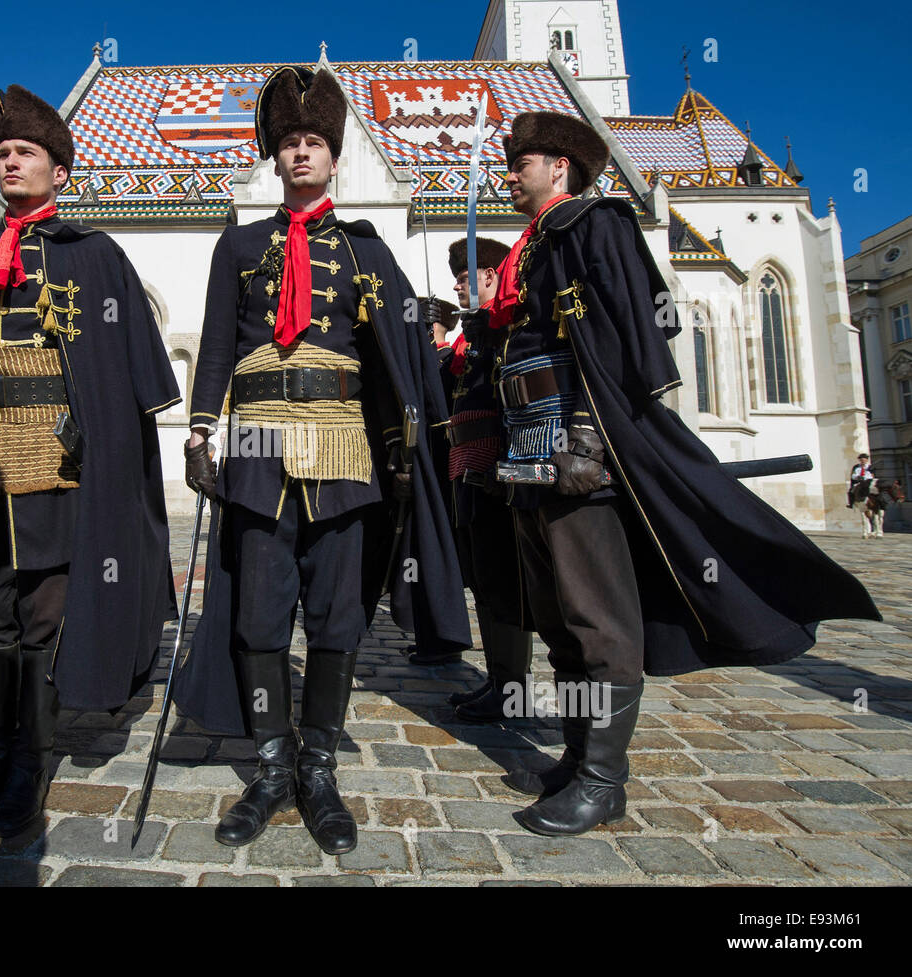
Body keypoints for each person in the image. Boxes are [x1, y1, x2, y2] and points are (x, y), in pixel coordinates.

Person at [484, 111, 880, 836]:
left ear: (560, 167)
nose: (511, 173)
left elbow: (642, 327)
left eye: (523, 161)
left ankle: (604, 779)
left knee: (596, 618)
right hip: (530, 455)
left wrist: (585, 436)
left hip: (582, 454)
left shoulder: (597, 224)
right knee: (558, 621)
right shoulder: (538, 246)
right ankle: (579, 758)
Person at [173, 66, 470, 855]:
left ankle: (321, 767)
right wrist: (203, 431)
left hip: (344, 443)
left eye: (313, 142)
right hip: (261, 437)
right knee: (260, 609)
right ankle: (271, 768)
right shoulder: (237, 244)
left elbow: (403, 347)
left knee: (338, 615)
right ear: (275, 157)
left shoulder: (366, 251)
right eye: (289, 143)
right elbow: (215, 346)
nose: (301, 153)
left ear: (334, 157)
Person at [0, 85, 181, 839]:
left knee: (44, 617)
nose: (10, 163)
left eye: (25, 152)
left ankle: (32, 759)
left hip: (56, 460)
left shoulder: (93, 253)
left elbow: (121, 373)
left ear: (61, 171)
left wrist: (118, 463)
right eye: (1, 155)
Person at [413, 238, 538, 723]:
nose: (458, 285)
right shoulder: (471, 338)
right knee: (484, 581)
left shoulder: (506, 328)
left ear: (490, 275)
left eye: (466, 277)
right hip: (466, 469)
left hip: (499, 467)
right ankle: (499, 679)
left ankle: (514, 690)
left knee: (503, 580)